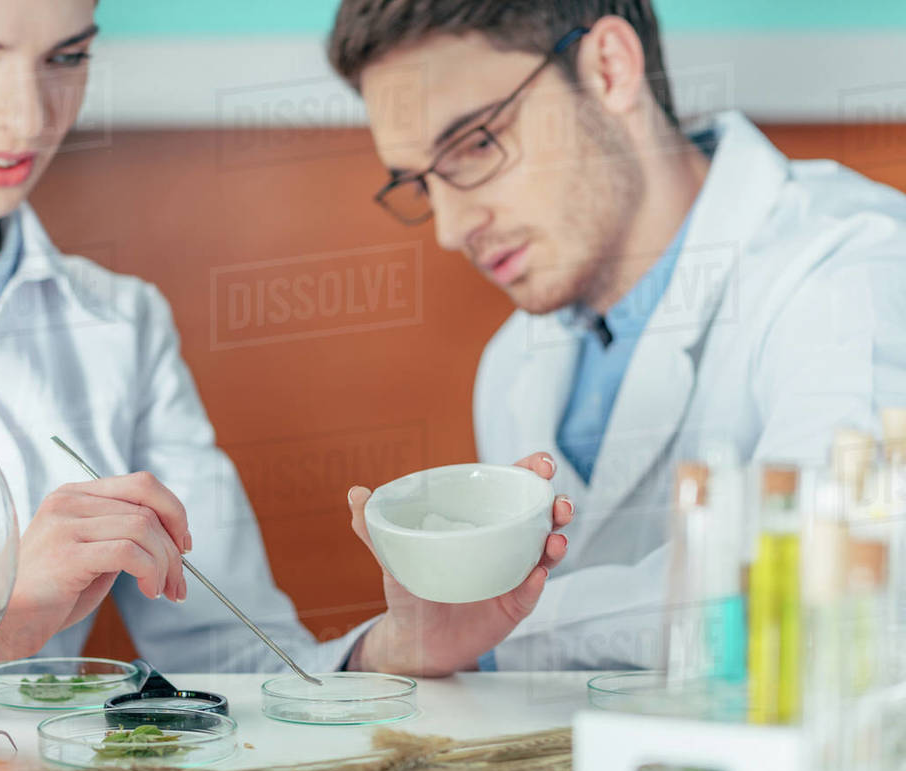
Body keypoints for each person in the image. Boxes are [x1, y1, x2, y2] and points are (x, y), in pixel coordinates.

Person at [0, 0, 572, 672]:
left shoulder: (119, 323)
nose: (24, 118)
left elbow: (234, 654)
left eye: (67, 58)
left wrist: (400, 649)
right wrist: (1, 615)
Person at [328, 0, 906, 671]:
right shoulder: (515, 361)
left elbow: (826, 589)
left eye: (477, 144)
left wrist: (500, 636)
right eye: (422, 184)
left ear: (608, 69)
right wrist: (411, 645)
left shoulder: (854, 270)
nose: (452, 229)